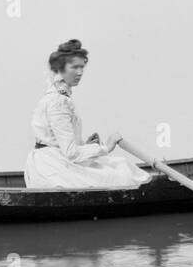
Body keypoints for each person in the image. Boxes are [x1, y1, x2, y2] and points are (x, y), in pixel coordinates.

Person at [24, 39, 151, 190]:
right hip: (52, 169)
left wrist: (87, 146)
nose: (80, 72)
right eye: (74, 67)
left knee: (120, 165)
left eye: (82, 67)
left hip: (51, 161)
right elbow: (71, 153)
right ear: (60, 69)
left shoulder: (57, 95)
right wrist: (105, 147)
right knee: (123, 172)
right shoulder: (58, 102)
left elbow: (59, 142)